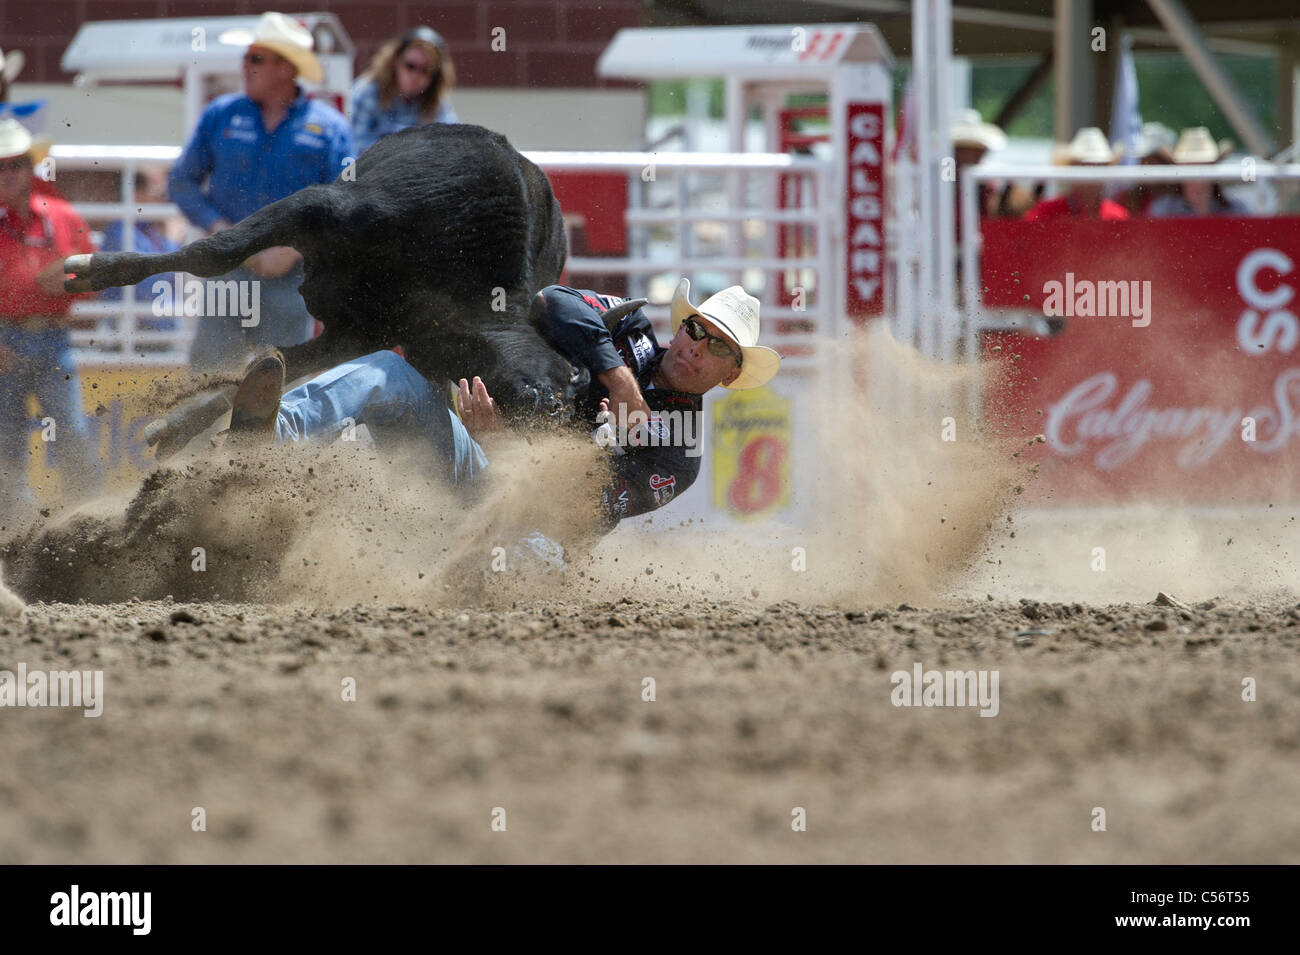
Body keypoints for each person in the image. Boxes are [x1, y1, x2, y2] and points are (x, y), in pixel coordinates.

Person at [224, 279, 781, 543]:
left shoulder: (679, 453)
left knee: (533, 561)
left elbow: (577, 512)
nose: (694, 348)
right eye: (694, 330)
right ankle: (268, 441)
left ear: (731, 374)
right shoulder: (627, 329)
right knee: (389, 373)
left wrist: (506, 450)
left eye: (717, 347)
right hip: (470, 463)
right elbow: (551, 301)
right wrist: (617, 377)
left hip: (526, 530)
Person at [168, 11, 355, 372]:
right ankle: (205, 431)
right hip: (230, 267)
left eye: (255, 59)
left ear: (286, 68)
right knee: (210, 370)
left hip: (294, 276)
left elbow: (345, 201)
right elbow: (182, 181)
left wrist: (296, 248)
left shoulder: (329, 127)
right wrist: (221, 230)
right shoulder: (220, 114)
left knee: (284, 377)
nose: (245, 66)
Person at [0, 119, 99, 519]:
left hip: (54, 341)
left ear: (30, 168)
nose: (8, 174)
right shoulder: (56, 214)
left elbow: (92, 275)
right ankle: (12, 530)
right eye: (0, 167)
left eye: (15, 165)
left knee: (71, 433)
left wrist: (70, 284)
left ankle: (90, 516)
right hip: (5, 340)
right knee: (6, 444)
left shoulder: (60, 215)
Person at [351, 26, 458, 155]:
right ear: (396, 61)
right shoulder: (367, 91)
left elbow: (452, 146)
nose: (416, 75)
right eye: (410, 66)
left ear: (435, 77)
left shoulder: (437, 102)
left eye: (425, 70)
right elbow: (354, 147)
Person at [99, 169, 183, 332]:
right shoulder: (122, 232)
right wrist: (173, 242)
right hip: (134, 334)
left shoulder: (149, 231)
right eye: (159, 194)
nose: (165, 200)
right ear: (136, 195)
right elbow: (147, 285)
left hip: (156, 332)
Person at [1023, 127, 1129, 222]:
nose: (1091, 175)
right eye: (1084, 167)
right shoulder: (1045, 212)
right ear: (1071, 169)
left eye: (1099, 167)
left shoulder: (1118, 215)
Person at [1147, 127, 1247, 217]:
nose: (1197, 171)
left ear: (1212, 166)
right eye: (1190, 164)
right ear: (1180, 168)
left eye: (1202, 164)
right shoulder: (1163, 210)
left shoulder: (1235, 209)